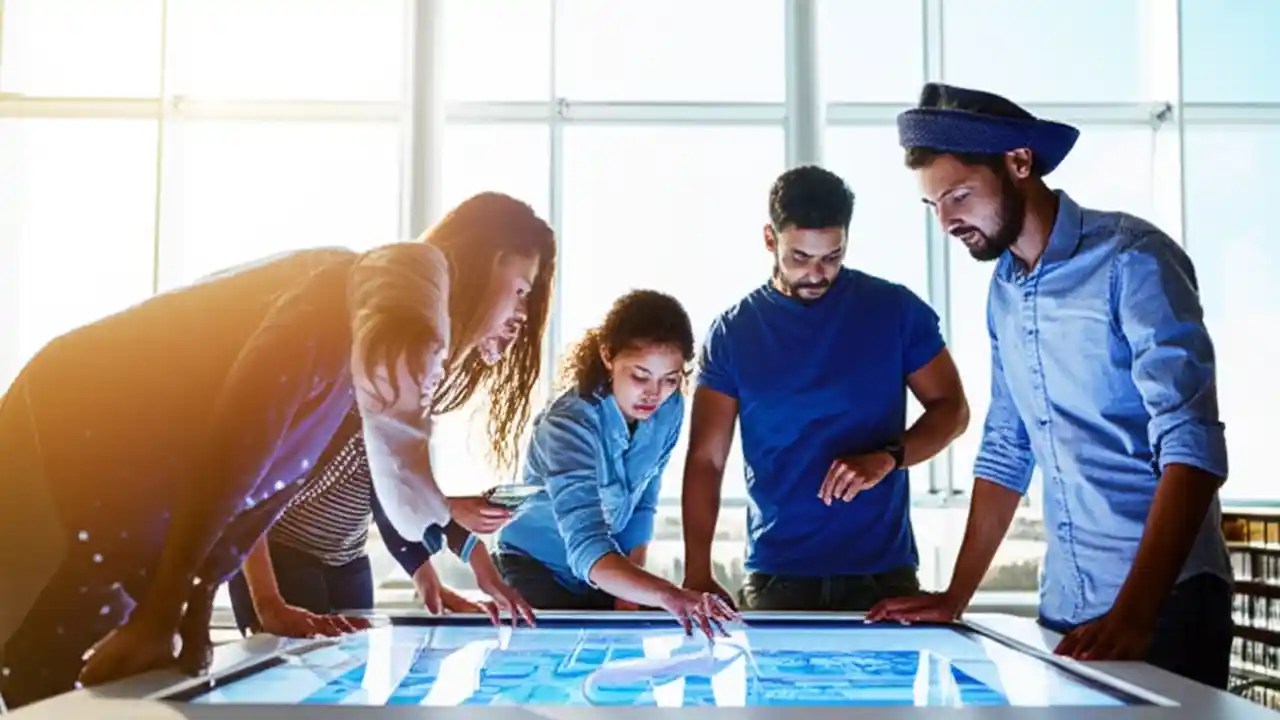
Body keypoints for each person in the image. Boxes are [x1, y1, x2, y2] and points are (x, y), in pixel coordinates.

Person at [0, 191, 555, 709]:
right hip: (63, 438)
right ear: (489, 261)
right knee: (37, 666)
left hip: (114, 489)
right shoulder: (331, 300)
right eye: (522, 289)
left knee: (68, 680)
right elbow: (237, 447)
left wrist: (191, 607)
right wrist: (169, 609)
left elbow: (267, 485)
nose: (521, 315)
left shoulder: (357, 357)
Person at [869, 82, 1232, 689]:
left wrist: (1135, 614)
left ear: (1019, 162)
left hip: (1164, 606)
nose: (947, 222)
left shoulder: (1134, 260)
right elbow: (1006, 447)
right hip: (1065, 604)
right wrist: (955, 596)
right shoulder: (1004, 290)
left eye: (958, 196)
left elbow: (1191, 443)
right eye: (933, 205)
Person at [680, 166, 970, 612]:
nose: (817, 274)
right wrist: (697, 570)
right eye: (800, 257)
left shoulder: (894, 311)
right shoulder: (733, 333)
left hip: (884, 576)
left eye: (832, 257)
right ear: (770, 239)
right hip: (778, 578)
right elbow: (706, 459)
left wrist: (889, 457)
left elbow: (952, 410)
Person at [494, 290, 737, 637]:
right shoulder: (567, 426)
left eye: (670, 379)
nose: (654, 393)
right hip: (537, 568)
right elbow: (586, 546)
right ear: (608, 355)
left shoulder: (668, 409)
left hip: (609, 569)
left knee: (628, 663)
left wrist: (629, 594)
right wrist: (669, 595)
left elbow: (644, 502)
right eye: (640, 376)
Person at [228, 408, 535, 639]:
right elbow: (248, 502)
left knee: (348, 682)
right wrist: (267, 601)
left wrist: (436, 577)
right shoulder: (332, 414)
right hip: (282, 564)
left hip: (348, 565)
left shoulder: (391, 424)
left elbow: (390, 500)